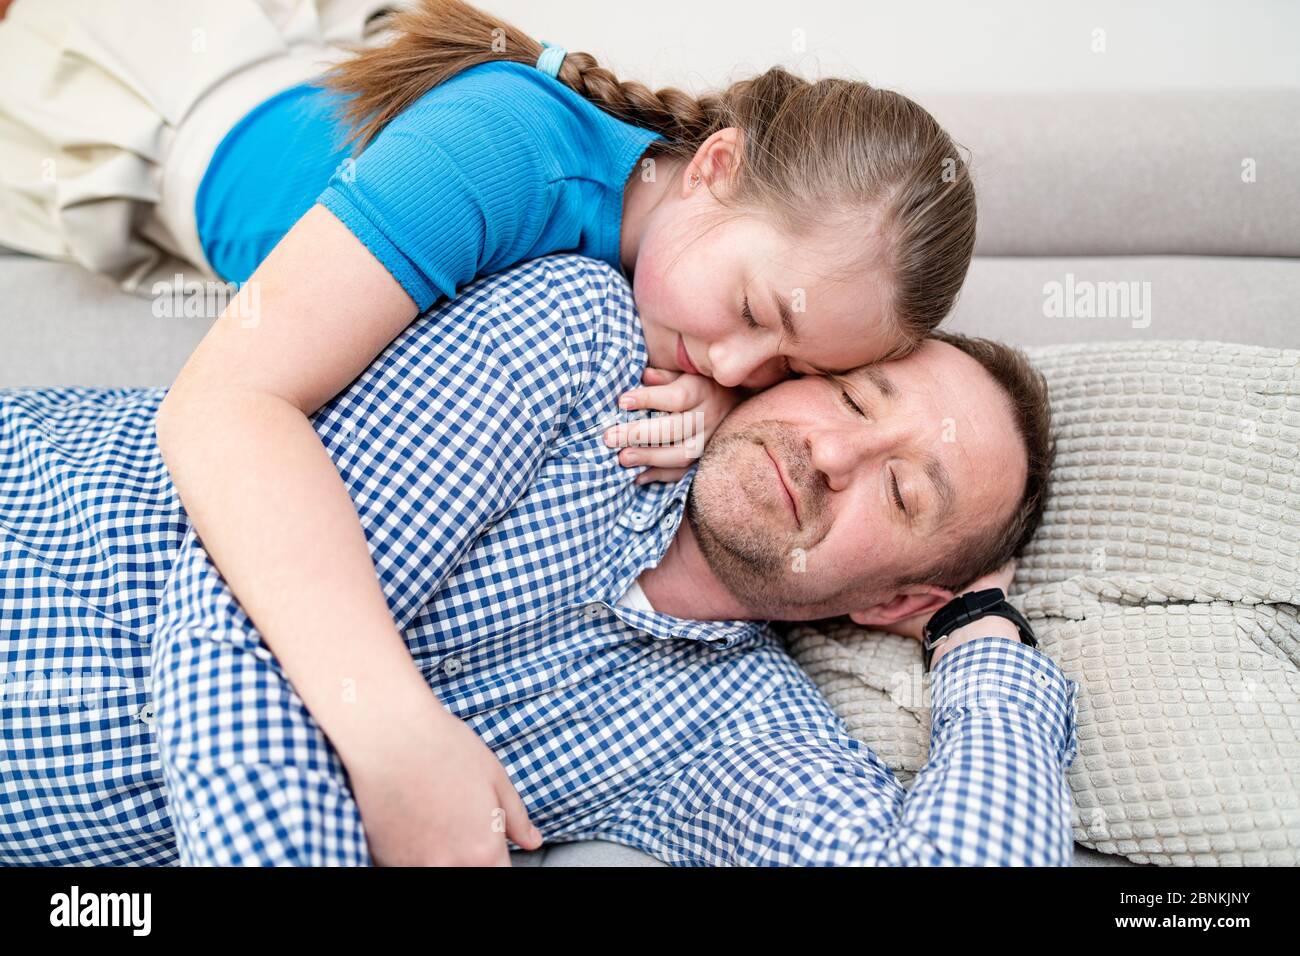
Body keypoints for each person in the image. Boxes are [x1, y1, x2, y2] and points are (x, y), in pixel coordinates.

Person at [0, 0, 980, 858]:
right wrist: (391, 729)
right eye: (757, 311)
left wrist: (725, 394)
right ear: (713, 166)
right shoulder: (513, 164)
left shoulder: (680, 311)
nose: (734, 366)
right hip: (174, 111)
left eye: (792, 371)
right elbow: (222, 405)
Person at [0, 254, 1076, 866]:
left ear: (896, 599)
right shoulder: (578, 345)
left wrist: (980, 643)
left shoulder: (733, 734)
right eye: (850, 397)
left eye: (901, 490)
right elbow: (236, 623)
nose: (833, 454)